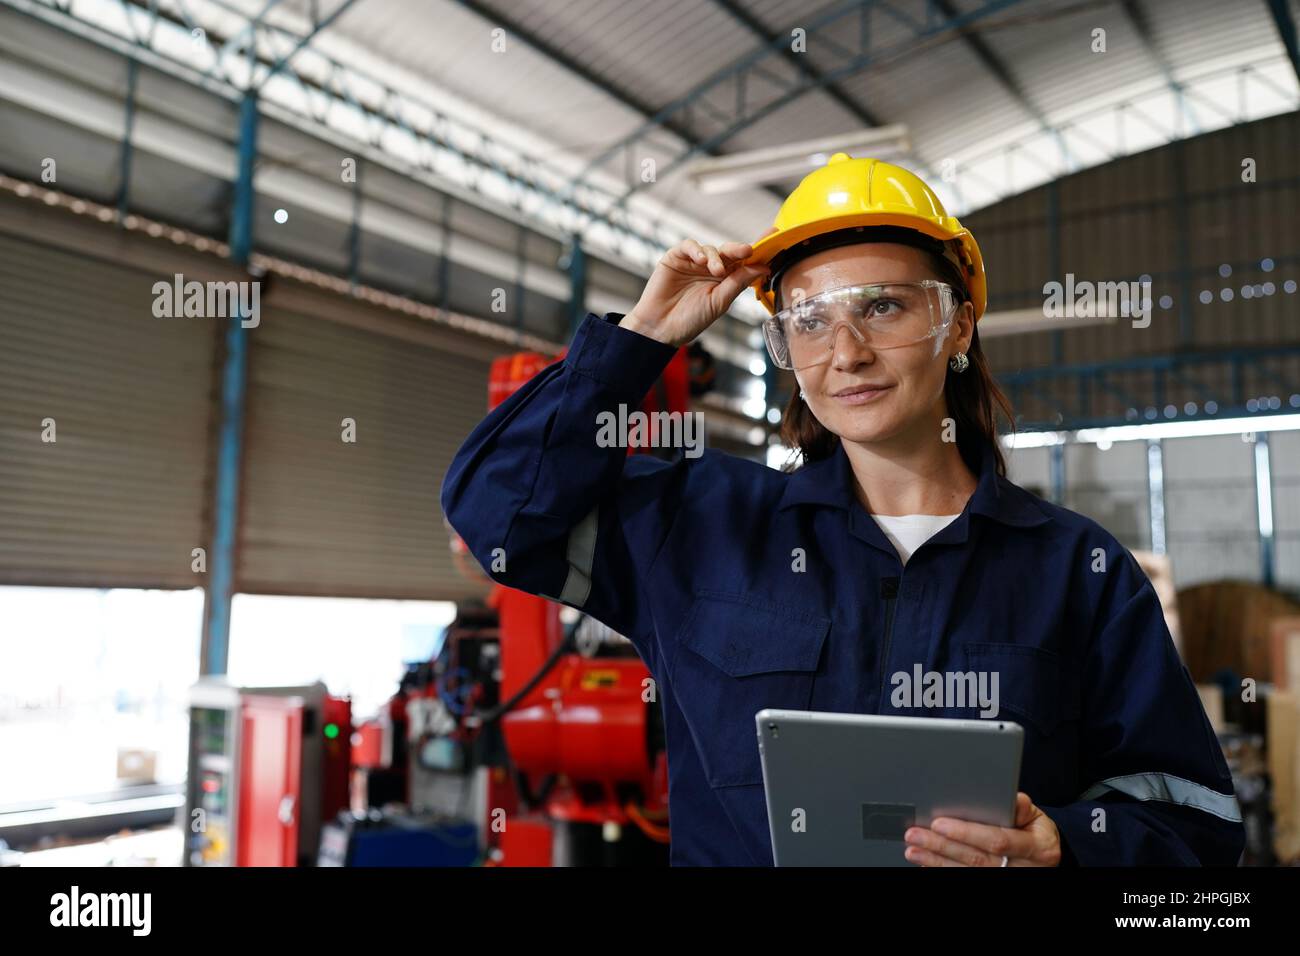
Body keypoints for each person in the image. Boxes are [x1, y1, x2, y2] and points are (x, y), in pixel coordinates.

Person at [442, 154, 1244, 866]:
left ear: (957, 323)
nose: (846, 352)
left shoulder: (1078, 572)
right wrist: (643, 337)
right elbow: (494, 513)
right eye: (811, 321)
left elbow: (1196, 827)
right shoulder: (698, 524)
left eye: (884, 308)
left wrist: (1062, 848)